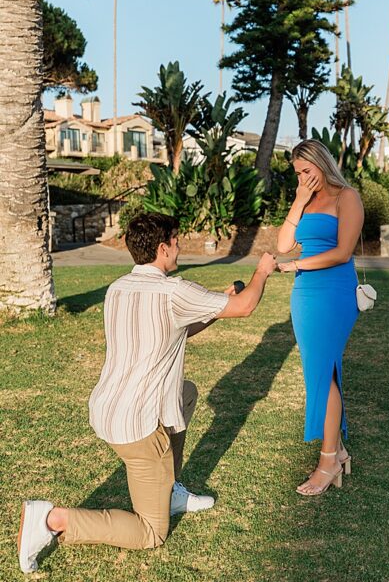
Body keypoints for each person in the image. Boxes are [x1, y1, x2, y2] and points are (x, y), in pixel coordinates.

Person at [18, 213, 277, 573]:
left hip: (107, 410)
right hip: (139, 429)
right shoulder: (175, 290)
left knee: (185, 393)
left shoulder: (118, 288)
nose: (179, 246)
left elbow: (172, 331)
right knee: (151, 532)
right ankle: (52, 519)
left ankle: (170, 491)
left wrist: (215, 307)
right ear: (162, 248)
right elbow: (246, 306)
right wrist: (262, 269)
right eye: (175, 240)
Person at [275, 139, 364, 496]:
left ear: (321, 164)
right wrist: (297, 200)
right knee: (319, 372)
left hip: (335, 292)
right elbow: (282, 244)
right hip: (305, 295)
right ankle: (337, 452)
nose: (303, 178)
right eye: (297, 174)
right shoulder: (306, 199)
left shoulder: (348, 197)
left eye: (306, 171)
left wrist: (297, 264)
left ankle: (329, 459)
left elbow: (343, 252)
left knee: (322, 371)